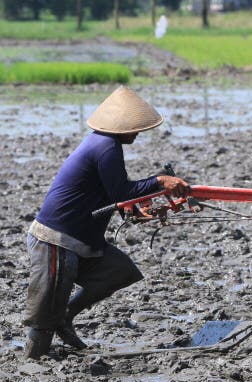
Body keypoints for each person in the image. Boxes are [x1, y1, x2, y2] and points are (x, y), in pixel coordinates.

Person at [23, 86, 190, 360]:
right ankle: (31, 365)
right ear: (120, 126)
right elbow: (123, 192)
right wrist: (160, 181)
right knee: (45, 312)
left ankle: (67, 316)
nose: (137, 133)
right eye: (134, 128)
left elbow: (114, 195)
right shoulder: (105, 146)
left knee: (120, 270)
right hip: (56, 238)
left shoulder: (103, 143)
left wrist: (136, 211)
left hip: (81, 239)